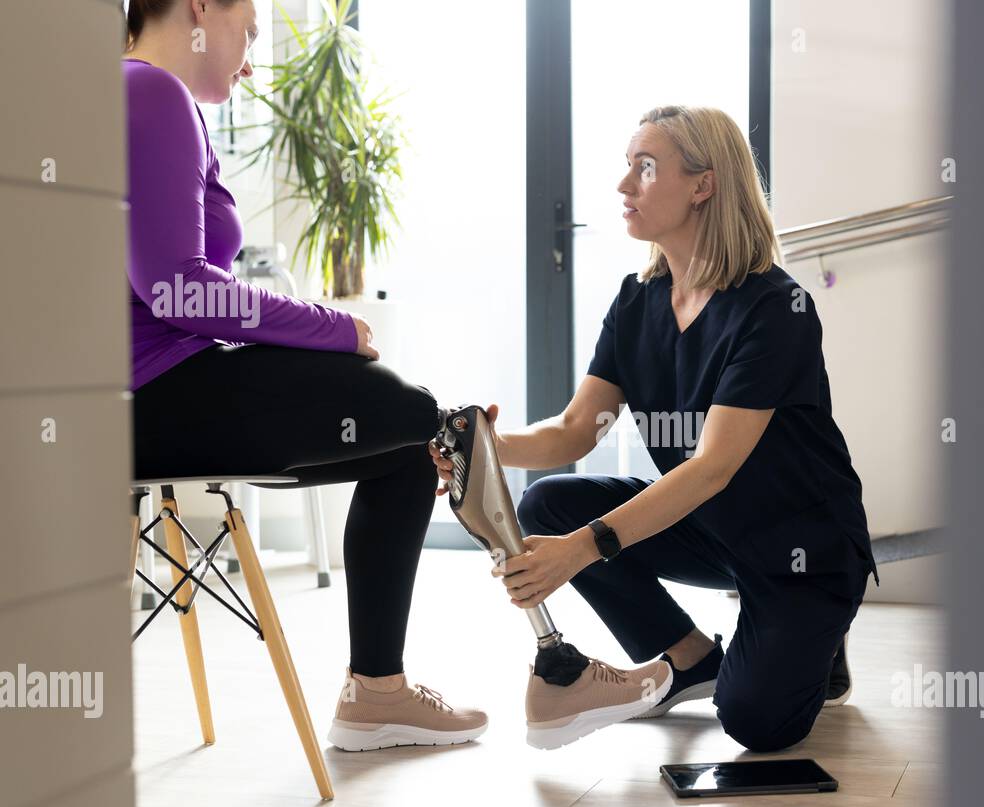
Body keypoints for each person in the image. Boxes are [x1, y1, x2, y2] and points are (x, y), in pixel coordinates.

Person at [433, 105, 879, 753]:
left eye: (646, 168)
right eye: (627, 167)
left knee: (754, 720)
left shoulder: (774, 309)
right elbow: (574, 431)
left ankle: (816, 638)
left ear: (704, 185)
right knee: (548, 503)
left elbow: (713, 466)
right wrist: (485, 445)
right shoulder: (637, 300)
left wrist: (584, 548)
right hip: (712, 528)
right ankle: (689, 656)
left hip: (799, 545)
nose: (624, 187)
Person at [122, 0, 493, 751]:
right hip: (157, 396)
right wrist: (335, 328)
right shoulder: (149, 91)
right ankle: (391, 692)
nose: (253, 57)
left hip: (155, 395)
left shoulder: (137, 94)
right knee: (423, 419)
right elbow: (178, 291)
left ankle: (378, 693)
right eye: (251, 31)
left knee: (408, 439)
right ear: (200, 6)